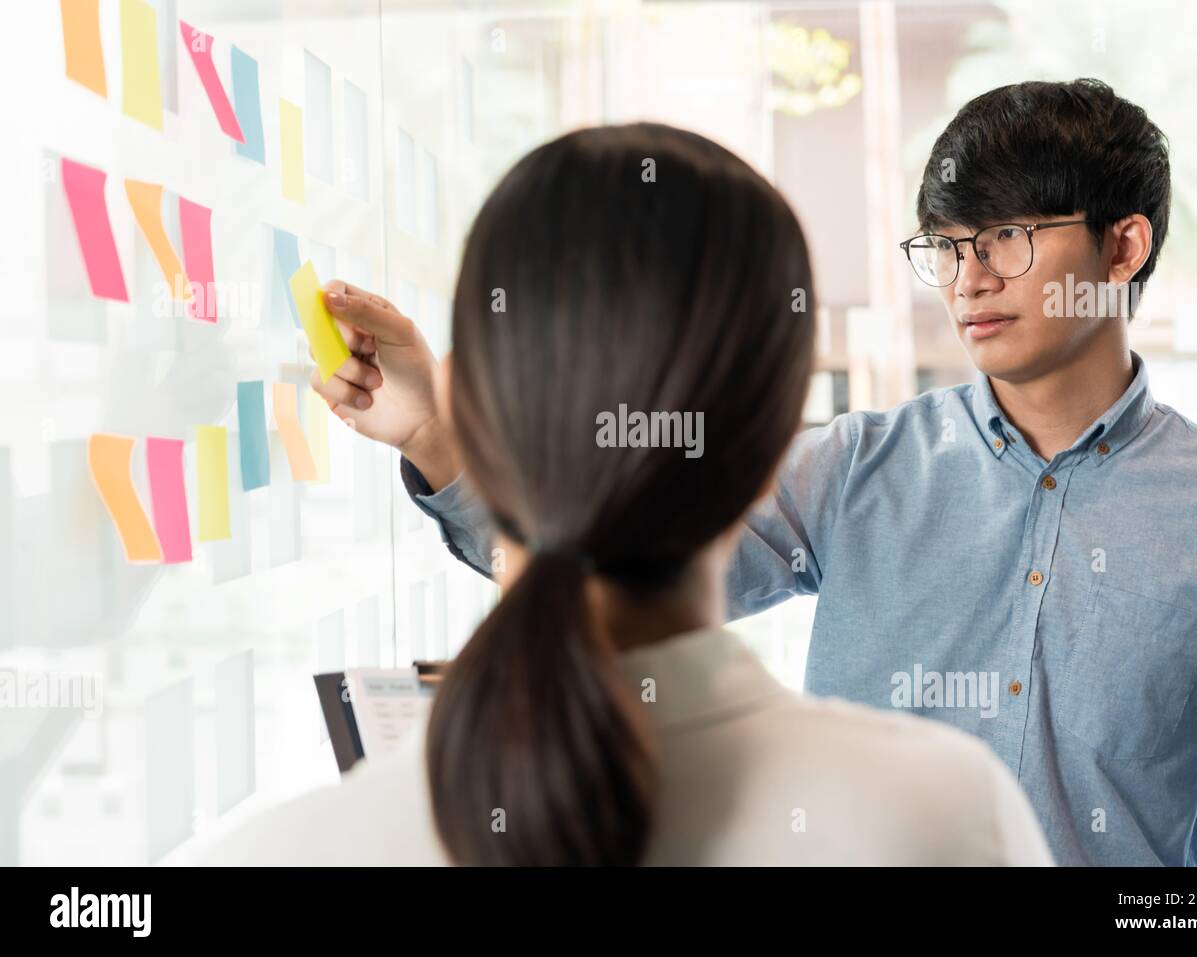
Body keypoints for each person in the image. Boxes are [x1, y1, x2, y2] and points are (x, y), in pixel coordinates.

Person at [328, 80, 1197, 867]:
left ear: (1121, 246)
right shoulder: (850, 467)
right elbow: (600, 561)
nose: (968, 280)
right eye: (947, 247)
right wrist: (432, 440)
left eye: (1005, 238)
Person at [196, 122, 1052, 866]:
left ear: (482, 421)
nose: (970, 277)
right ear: (772, 456)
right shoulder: (943, 820)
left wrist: (434, 436)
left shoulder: (281, 853)